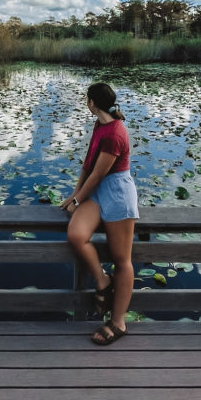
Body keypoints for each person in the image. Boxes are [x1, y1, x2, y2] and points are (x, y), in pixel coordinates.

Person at [61, 82, 139, 345]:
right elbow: (88, 163)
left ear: (92, 103)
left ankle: (118, 322)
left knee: (122, 259)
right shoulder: (100, 125)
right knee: (76, 234)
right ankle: (102, 281)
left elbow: (99, 173)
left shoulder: (115, 133)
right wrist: (75, 193)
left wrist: (79, 199)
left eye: (87, 99)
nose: (86, 102)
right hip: (96, 192)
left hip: (117, 193)